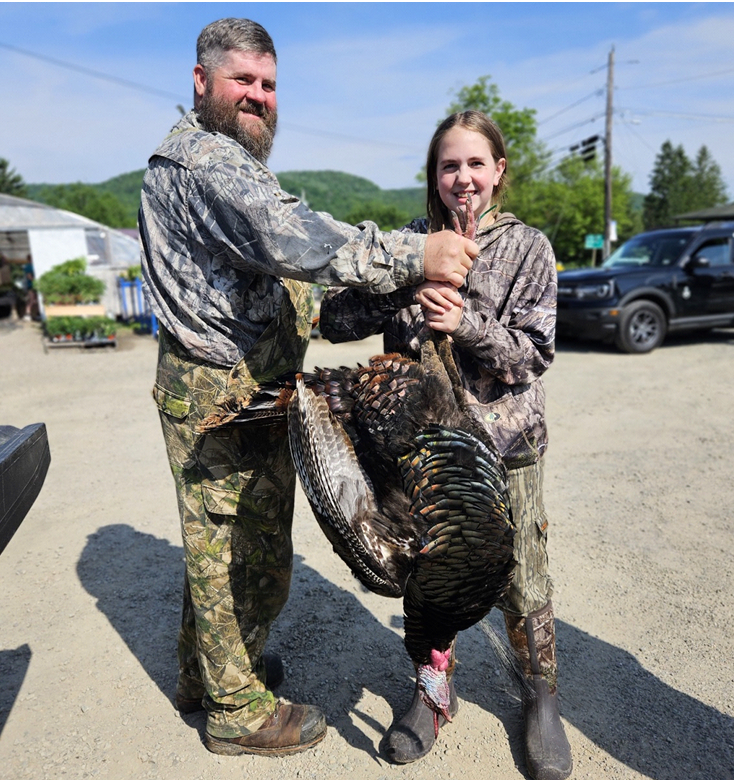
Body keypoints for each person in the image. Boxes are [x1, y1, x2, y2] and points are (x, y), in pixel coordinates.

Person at [138, 18, 477, 759]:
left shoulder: (222, 160)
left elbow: (272, 281)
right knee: (238, 554)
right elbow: (298, 240)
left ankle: (212, 676)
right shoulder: (205, 163)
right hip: (220, 398)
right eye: (243, 82)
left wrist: (375, 302)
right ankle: (235, 711)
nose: (258, 96)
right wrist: (418, 252)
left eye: (268, 84)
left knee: (221, 546)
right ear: (203, 82)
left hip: (242, 387)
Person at [318, 110, 572, 779]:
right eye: (449, 165)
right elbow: (336, 316)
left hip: (503, 449)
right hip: (418, 453)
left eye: (476, 164)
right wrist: (407, 277)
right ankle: (432, 692)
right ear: (433, 174)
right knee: (428, 574)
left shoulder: (527, 248)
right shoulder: (406, 244)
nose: (463, 178)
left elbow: (534, 354)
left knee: (521, 568)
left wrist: (466, 324)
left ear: (499, 172)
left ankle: (540, 696)